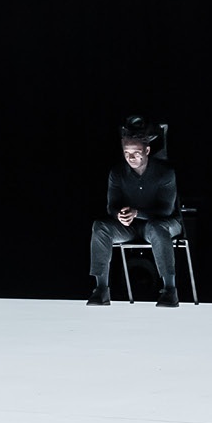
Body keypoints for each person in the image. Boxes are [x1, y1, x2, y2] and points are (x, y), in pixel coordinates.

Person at [87, 118, 183, 307]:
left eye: (136, 153)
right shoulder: (118, 172)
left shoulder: (164, 173)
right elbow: (111, 206)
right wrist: (119, 215)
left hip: (164, 223)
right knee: (100, 227)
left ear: (146, 151)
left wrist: (137, 212)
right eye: (127, 153)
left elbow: (165, 210)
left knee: (157, 227)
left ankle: (170, 290)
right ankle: (101, 289)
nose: (131, 158)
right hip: (131, 226)